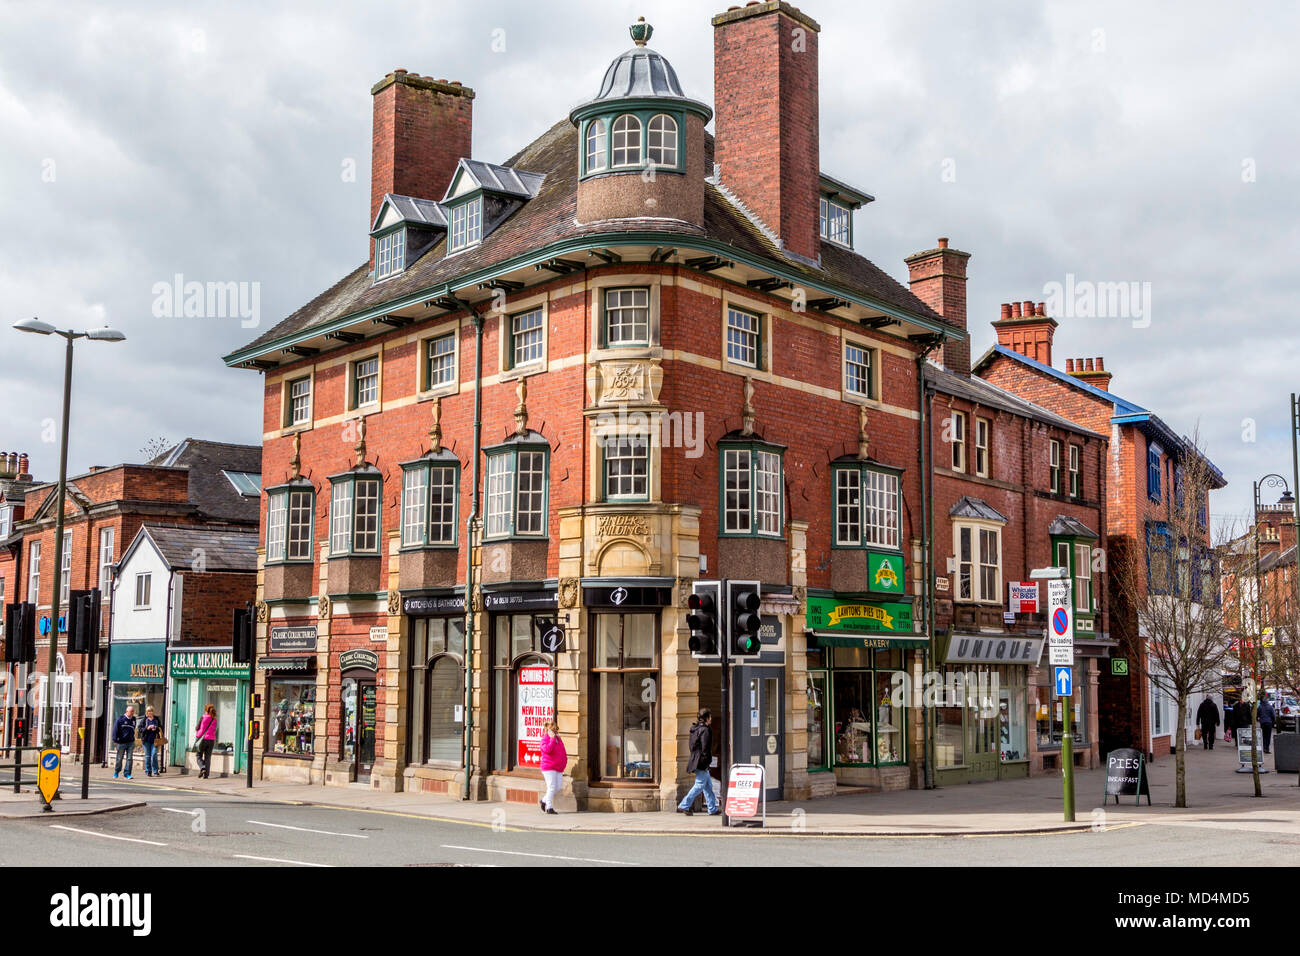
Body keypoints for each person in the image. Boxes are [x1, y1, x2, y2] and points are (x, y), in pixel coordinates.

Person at [676, 708, 719, 816]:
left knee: (708, 786)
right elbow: (705, 748)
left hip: (696, 760)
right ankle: (684, 805)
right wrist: (705, 761)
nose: (711, 719)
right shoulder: (705, 730)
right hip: (701, 762)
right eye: (710, 717)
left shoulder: (694, 729)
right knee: (699, 785)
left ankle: (712, 808)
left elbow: (691, 746)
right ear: (707, 718)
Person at [538, 719, 567, 815]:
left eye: (556, 730)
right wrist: (551, 739)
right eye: (554, 730)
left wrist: (564, 762)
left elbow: (562, 752)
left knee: (557, 787)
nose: (555, 732)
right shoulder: (545, 739)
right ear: (549, 730)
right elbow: (547, 750)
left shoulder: (558, 739)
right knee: (551, 787)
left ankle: (544, 800)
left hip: (558, 767)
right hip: (548, 766)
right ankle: (549, 807)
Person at [112, 705, 137, 779]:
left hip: (130, 742)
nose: (132, 713)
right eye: (131, 711)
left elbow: (133, 729)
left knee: (129, 758)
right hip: (121, 742)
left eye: (133, 711)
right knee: (119, 758)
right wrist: (115, 740)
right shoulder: (120, 719)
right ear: (126, 711)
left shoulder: (134, 719)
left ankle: (127, 773)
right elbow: (115, 730)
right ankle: (116, 772)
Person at [194, 704, 218, 779]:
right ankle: (206, 775)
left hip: (201, 739)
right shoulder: (214, 719)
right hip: (211, 740)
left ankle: (203, 767)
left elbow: (197, 728)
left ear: (206, 710)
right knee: (208, 757)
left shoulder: (203, 717)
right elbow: (215, 729)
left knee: (198, 755)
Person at [139, 706, 163, 776]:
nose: (150, 712)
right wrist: (147, 728)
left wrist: (155, 728)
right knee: (148, 756)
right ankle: (148, 771)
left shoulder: (156, 719)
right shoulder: (144, 720)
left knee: (154, 754)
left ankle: (155, 771)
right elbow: (140, 729)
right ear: (147, 712)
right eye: (149, 711)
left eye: (151, 711)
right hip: (146, 741)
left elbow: (160, 728)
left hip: (155, 740)